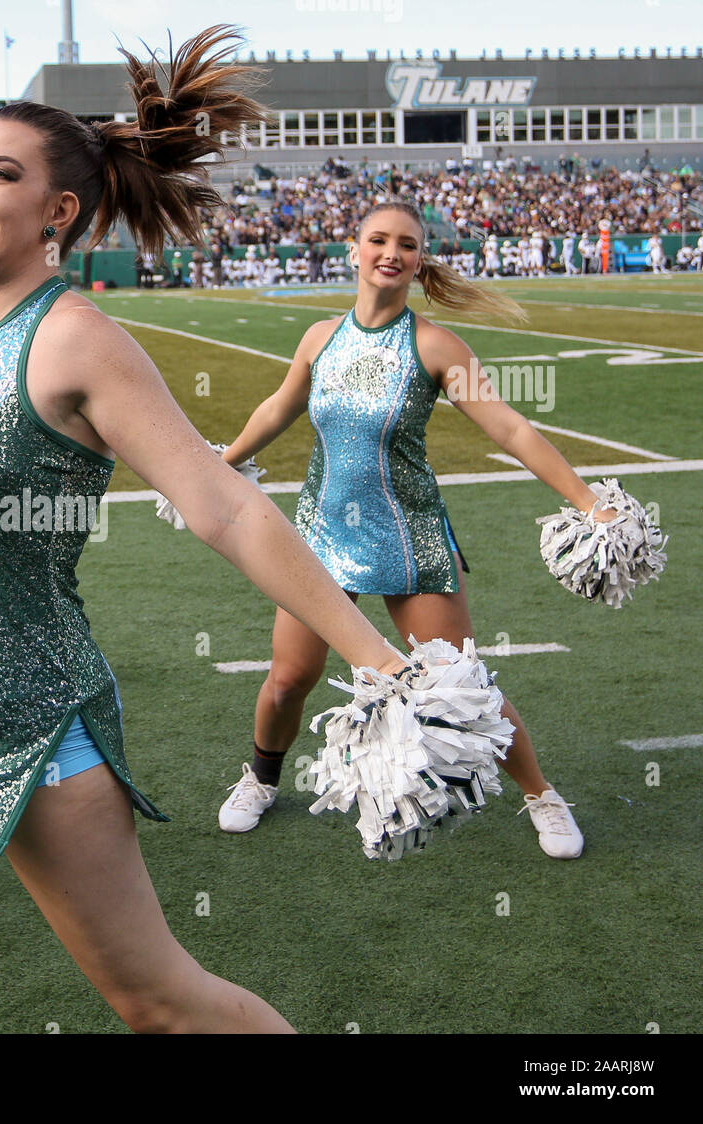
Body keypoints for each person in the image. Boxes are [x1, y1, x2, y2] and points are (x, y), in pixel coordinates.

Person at [0, 26, 429, 1035]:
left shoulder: (78, 337)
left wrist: (381, 660)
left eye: (0, 173)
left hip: (30, 715)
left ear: (57, 212)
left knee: (155, 999)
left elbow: (224, 502)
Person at [214, 199, 616, 860]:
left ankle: (542, 797)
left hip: (409, 535)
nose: (390, 253)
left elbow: (509, 427)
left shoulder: (433, 344)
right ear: (354, 249)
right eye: (378, 240)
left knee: (461, 685)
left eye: (406, 244)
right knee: (288, 680)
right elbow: (279, 407)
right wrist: (217, 464)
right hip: (320, 535)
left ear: (418, 259)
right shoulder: (319, 337)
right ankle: (259, 778)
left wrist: (588, 501)